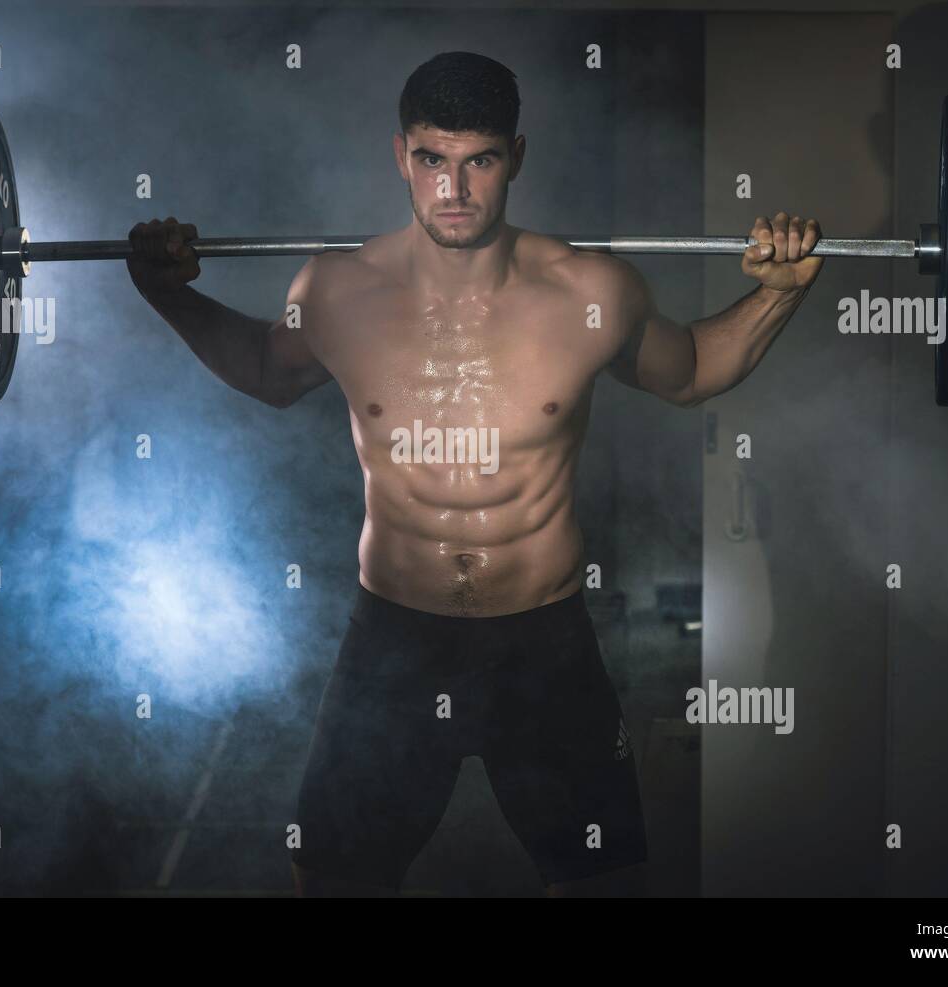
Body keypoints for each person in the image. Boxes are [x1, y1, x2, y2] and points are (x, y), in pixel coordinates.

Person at [127, 51, 822, 896]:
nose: (453, 189)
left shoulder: (588, 291)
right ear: (401, 157)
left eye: (479, 160)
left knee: (603, 881)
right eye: (432, 160)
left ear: (516, 158)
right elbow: (272, 373)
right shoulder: (339, 290)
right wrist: (172, 297)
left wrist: (779, 293)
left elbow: (693, 370)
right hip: (394, 639)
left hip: (544, 641)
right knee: (333, 875)